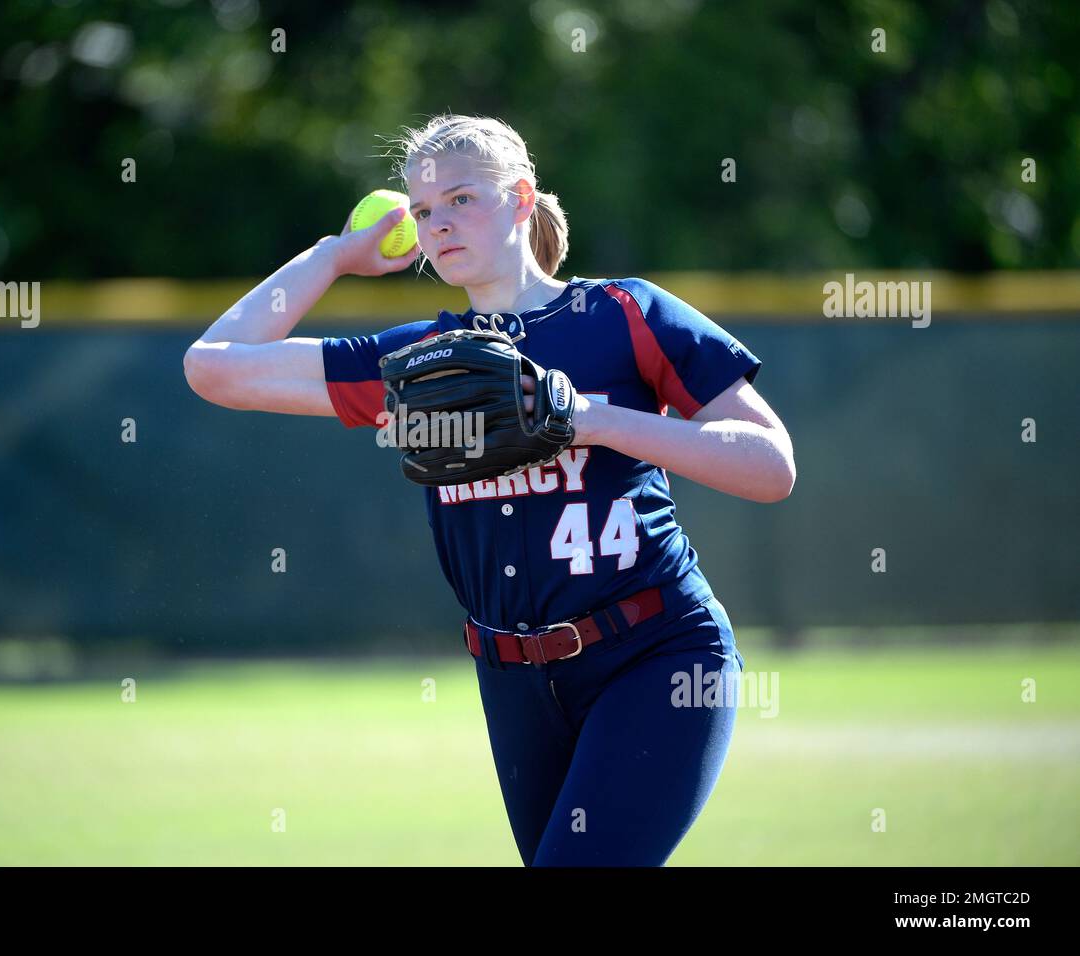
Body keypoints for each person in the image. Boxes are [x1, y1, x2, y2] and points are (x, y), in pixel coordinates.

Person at [184, 113, 796, 866]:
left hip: (657, 654)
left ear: (521, 199)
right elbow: (214, 366)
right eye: (423, 210)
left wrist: (595, 420)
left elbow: (771, 466)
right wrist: (333, 256)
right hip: (513, 680)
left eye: (462, 199)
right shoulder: (420, 361)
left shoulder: (625, 314)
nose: (438, 223)